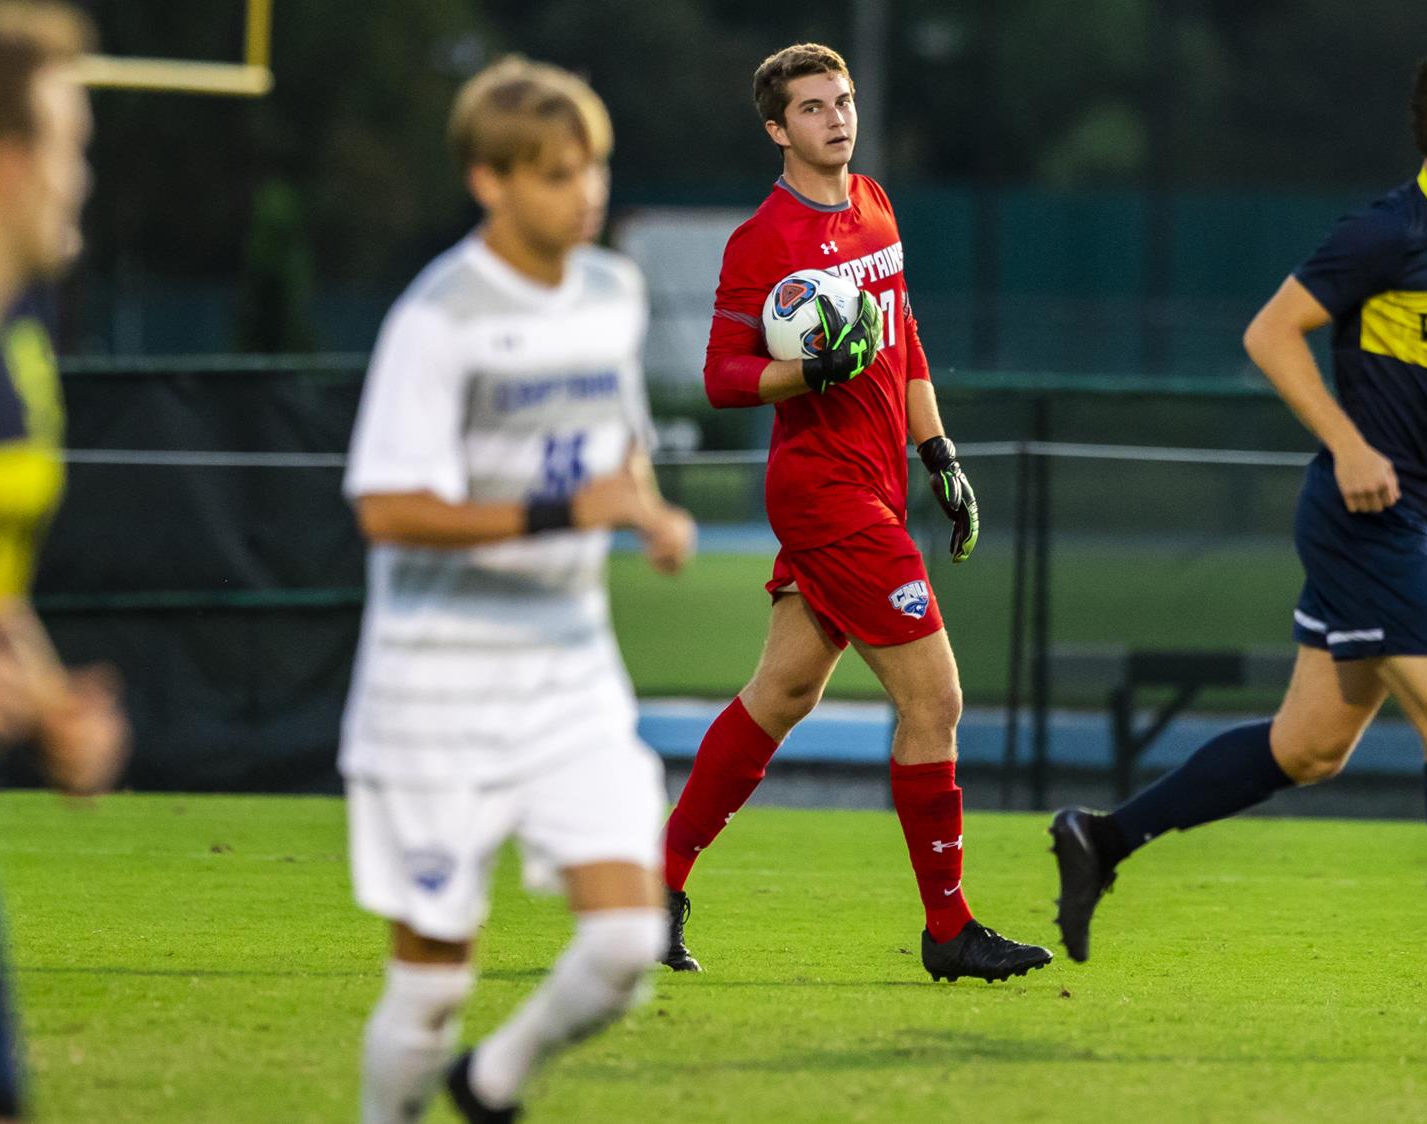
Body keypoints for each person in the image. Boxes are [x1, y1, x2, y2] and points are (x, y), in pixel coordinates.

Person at [1049, 43, 1427, 1046]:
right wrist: (1349, 443)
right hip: (1369, 516)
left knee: (1306, 747)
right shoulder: (1383, 232)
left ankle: (1102, 836)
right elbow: (1269, 332)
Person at [338, 55, 697, 1123]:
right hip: (434, 681)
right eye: (552, 172)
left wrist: (647, 509)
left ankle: (490, 1082)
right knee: (432, 981)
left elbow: (614, 446)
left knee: (629, 936)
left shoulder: (611, 289)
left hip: (568, 667)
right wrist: (559, 514)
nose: (582, 190)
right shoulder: (437, 317)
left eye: (591, 166)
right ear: (489, 182)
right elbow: (384, 507)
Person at [661, 42, 1050, 984]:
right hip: (825, 493)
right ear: (776, 128)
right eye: (811, 107)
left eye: (842, 101)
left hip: (877, 485)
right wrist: (808, 370)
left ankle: (652, 886)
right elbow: (718, 377)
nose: (836, 118)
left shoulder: (875, 203)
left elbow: (904, 334)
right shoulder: (763, 241)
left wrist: (940, 453)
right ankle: (948, 929)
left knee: (783, 694)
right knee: (937, 699)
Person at [0, 6, 131, 1120]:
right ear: (11, 165)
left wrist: (49, 701)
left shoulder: (16, 352)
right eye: (74, 149)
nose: (83, 181)